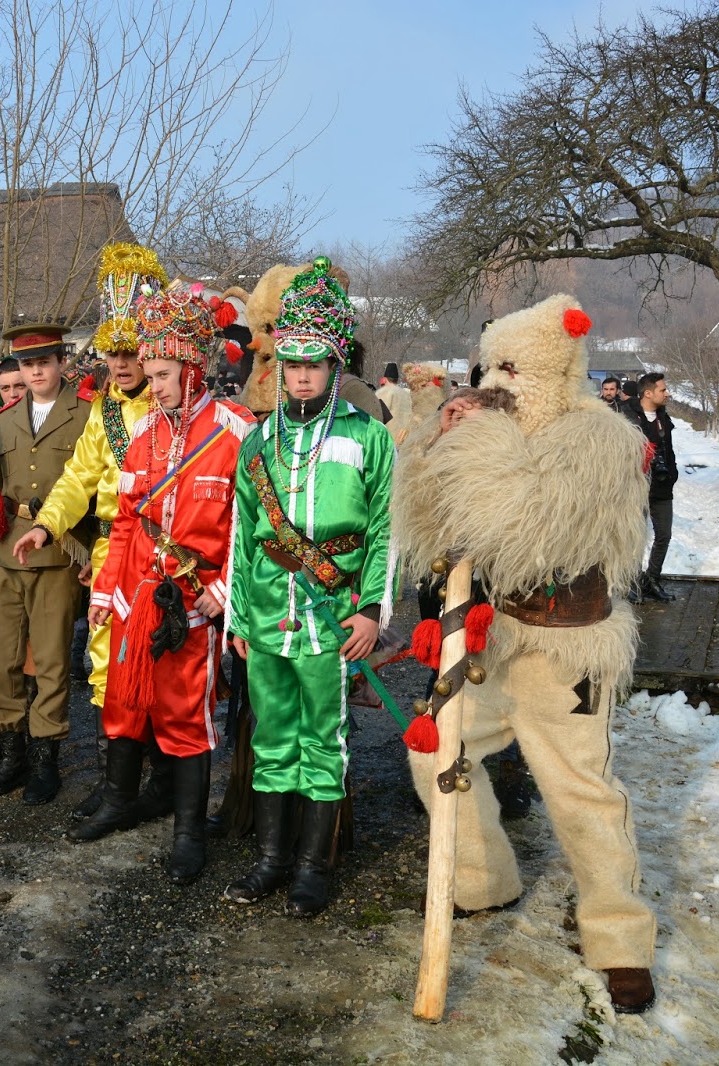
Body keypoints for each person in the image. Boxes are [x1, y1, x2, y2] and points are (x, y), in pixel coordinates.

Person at [392, 293, 659, 1015]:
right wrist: (434, 442)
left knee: (581, 795)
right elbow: (433, 523)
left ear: (549, 371)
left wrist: (474, 442)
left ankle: (621, 941)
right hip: (499, 638)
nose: (497, 382)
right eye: (490, 367)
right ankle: (480, 880)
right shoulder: (495, 425)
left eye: (512, 369)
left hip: (567, 653)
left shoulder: (596, 437)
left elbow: (524, 526)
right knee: (436, 752)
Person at [222, 259, 394, 918]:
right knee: (272, 738)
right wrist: (239, 619)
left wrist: (373, 610)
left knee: (326, 741)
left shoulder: (367, 437)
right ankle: (269, 861)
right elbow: (242, 535)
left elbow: (385, 531)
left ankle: (312, 868)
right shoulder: (256, 443)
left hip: (333, 620)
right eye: (291, 362)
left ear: (334, 365)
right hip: (267, 617)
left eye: (314, 363)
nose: (300, 373)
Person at [73, 286, 253, 883]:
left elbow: (251, 530)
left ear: (194, 369)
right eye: (150, 374)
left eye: (165, 373)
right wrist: (104, 592)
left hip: (194, 605)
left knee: (183, 714)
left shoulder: (235, 432)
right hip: (135, 597)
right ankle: (123, 799)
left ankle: (187, 832)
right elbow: (125, 521)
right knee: (123, 704)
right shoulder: (144, 432)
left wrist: (225, 589)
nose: (155, 385)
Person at [10, 242, 168, 822]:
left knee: (157, 663)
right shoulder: (101, 411)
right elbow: (78, 477)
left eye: (130, 354)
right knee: (103, 663)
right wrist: (47, 527)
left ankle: (159, 781)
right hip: (110, 551)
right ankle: (115, 780)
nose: (121, 365)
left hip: (162, 551)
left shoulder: (170, 406)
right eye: (112, 355)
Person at [0, 323, 91, 804]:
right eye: (26, 363)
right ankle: (11, 753)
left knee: (51, 662)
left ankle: (45, 760)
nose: (35, 370)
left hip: (59, 553)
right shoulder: (2, 419)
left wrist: (92, 556)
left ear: (62, 362)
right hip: (3, 549)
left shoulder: (87, 414)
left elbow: (98, 490)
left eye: (43, 361)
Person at [626, 371, 677, 603]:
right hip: (635, 487)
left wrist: (672, 473)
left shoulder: (663, 418)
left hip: (662, 487)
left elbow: (669, 449)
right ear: (648, 393)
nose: (667, 393)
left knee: (664, 535)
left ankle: (652, 579)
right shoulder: (627, 416)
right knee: (635, 537)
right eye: (662, 390)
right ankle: (632, 582)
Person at [375, 362, 413, 446]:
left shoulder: (384, 392)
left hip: (388, 441)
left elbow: (377, 416)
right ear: (397, 379)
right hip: (405, 440)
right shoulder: (406, 394)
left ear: (385, 379)